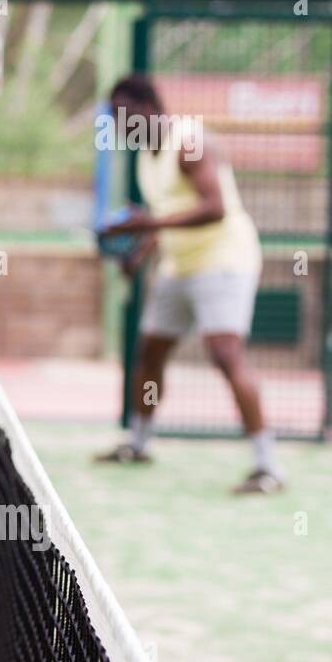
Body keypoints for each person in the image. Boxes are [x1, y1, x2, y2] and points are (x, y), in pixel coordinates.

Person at [96, 73, 282, 495]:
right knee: (149, 352)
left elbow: (214, 208)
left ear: (147, 107)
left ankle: (267, 466)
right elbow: (170, 212)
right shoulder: (147, 155)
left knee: (224, 354)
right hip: (179, 265)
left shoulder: (191, 143)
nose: (120, 124)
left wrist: (147, 223)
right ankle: (139, 443)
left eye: (123, 114)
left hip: (224, 259)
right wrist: (140, 253)